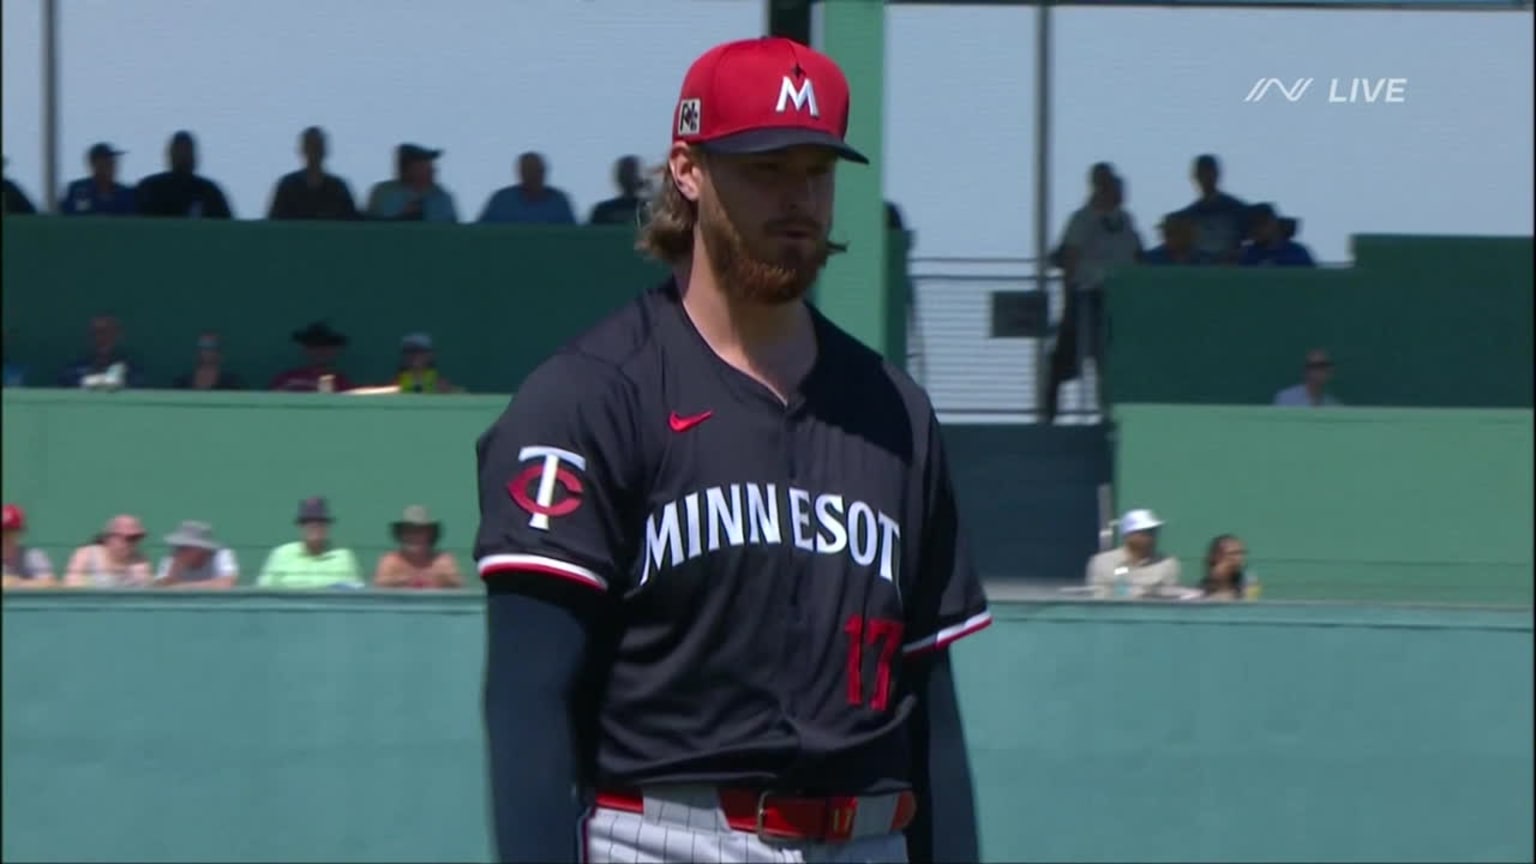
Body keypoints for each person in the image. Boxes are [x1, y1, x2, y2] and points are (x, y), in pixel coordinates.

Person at [476, 36, 989, 864]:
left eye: (816, 171)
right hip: (666, 835)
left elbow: (933, 711)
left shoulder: (897, 413)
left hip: (868, 838)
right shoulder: (589, 397)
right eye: (765, 168)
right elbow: (527, 703)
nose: (799, 199)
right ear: (688, 170)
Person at [373, 506, 462, 589]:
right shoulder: (390, 561)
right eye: (408, 532)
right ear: (401, 535)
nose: (413, 537)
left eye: (419, 532)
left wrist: (439, 580)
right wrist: (404, 581)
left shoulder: (443, 560)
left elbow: (458, 586)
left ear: (430, 535)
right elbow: (380, 587)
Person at [2, 504, 56, 588]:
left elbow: (50, 583)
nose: (5, 536)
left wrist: (15, 583)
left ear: (21, 532)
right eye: (3, 531)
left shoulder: (33, 556)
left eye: (10, 531)